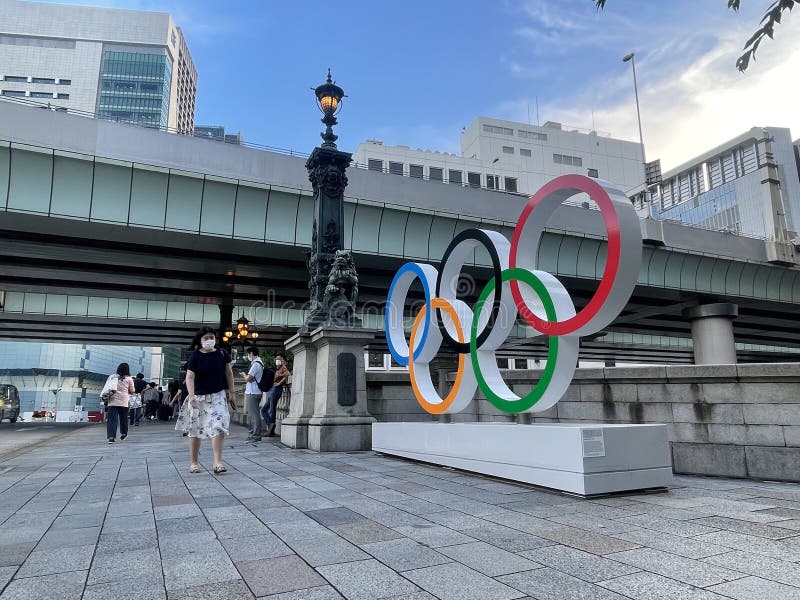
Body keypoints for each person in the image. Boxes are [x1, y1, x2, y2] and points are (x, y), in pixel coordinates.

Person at [174, 327, 236, 474]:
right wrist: (192, 395)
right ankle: (194, 463)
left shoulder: (222, 353)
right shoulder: (195, 357)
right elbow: (189, 377)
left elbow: (228, 372)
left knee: (219, 426)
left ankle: (217, 463)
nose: (209, 340)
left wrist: (232, 393)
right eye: (206, 338)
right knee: (195, 429)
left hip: (218, 396)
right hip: (198, 397)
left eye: (211, 337)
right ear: (200, 341)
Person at [261, 352, 290, 438]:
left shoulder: (283, 367)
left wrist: (279, 383)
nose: (277, 360)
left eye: (279, 359)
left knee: (271, 409)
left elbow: (287, 375)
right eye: (276, 359)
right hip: (273, 390)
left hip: (277, 389)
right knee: (264, 410)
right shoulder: (277, 369)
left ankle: (271, 428)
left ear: (282, 360)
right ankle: (271, 426)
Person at [107, 362, 135, 443]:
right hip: (124, 402)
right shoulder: (129, 379)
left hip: (112, 401)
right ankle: (123, 434)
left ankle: (111, 437)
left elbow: (107, 387)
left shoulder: (111, 377)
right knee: (123, 419)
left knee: (112, 420)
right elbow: (132, 391)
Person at [244, 346, 265, 442]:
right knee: (252, 414)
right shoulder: (259, 363)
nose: (248, 356)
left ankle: (256, 435)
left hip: (253, 392)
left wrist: (244, 375)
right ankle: (252, 434)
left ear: (251, 354)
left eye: (248, 354)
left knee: (254, 415)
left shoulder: (256, 364)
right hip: (254, 392)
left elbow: (248, 378)